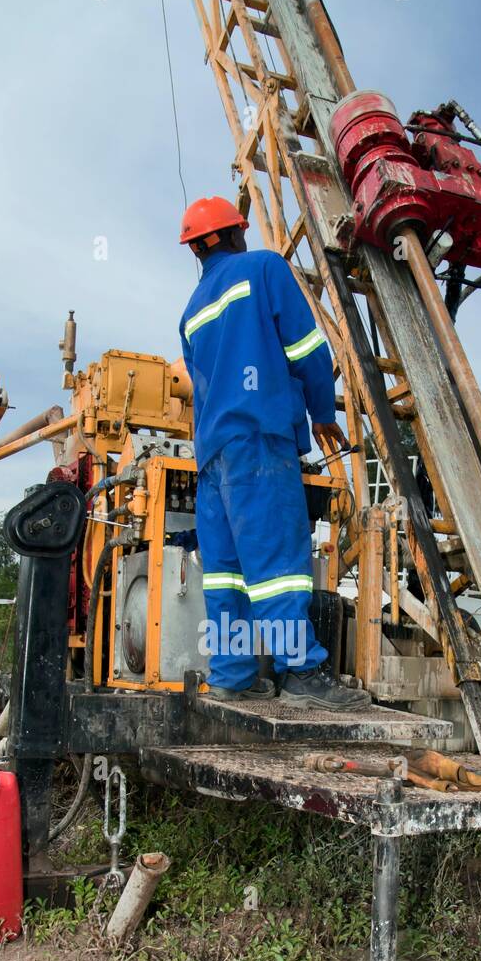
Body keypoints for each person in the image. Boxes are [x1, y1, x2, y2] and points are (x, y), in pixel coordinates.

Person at [179, 195, 369, 711]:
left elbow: (201, 387)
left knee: (226, 571)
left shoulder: (191, 312)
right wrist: (321, 411)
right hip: (259, 441)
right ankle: (303, 674)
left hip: (213, 457)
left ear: (196, 248)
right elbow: (306, 348)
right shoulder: (264, 267)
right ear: (235, 233)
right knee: (278, 562)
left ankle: (233, 675)